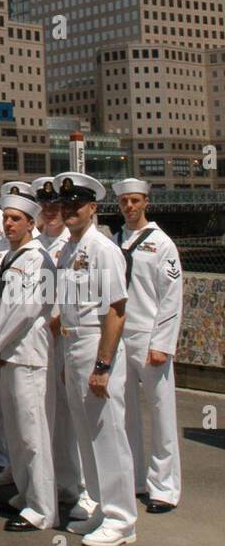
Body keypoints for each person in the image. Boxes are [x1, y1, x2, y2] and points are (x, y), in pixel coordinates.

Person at [55, 173, 138, 546]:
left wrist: (103, 366)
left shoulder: (103, 249)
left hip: (95, 346)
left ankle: (122, 519)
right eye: (66, 206)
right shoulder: (70, 249)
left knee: (107, 433)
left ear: (93, 208)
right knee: (86, 435)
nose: (70, 211)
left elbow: (115, 312)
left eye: (77, 206)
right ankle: (103, 509)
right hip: (73, 346)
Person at [0, 192, 57, 533]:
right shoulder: (9, 257)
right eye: (6, 218)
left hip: (27, 356)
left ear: (31, 223)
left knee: (32, 435)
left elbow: (25, 310)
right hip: (8, 356)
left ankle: (42, 509)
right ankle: (26, 495)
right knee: (14, 433)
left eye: (16, 219)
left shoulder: (37, 259)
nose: (9, 224)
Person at [112, 178, 183, 514]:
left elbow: (171, 298)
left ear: (146, 203)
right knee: (124, 414)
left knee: (161, 412)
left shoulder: (161, 244)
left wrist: (162, 343)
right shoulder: (114, 241)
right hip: (120, 337)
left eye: (135, 201)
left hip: (150, 336)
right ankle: (136, 478)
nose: (130, 207)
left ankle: (165, 487)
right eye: (125, 201)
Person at [32, 175, 91, 519]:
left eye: (58, 206)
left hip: (70, 340)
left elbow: (92, 299)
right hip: (41, 345)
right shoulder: (35, 243)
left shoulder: (78, 244)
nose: (52, 211)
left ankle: (85, 487)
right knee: (50, 414)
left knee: (77, 417)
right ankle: (62, 480)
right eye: (47, 206)